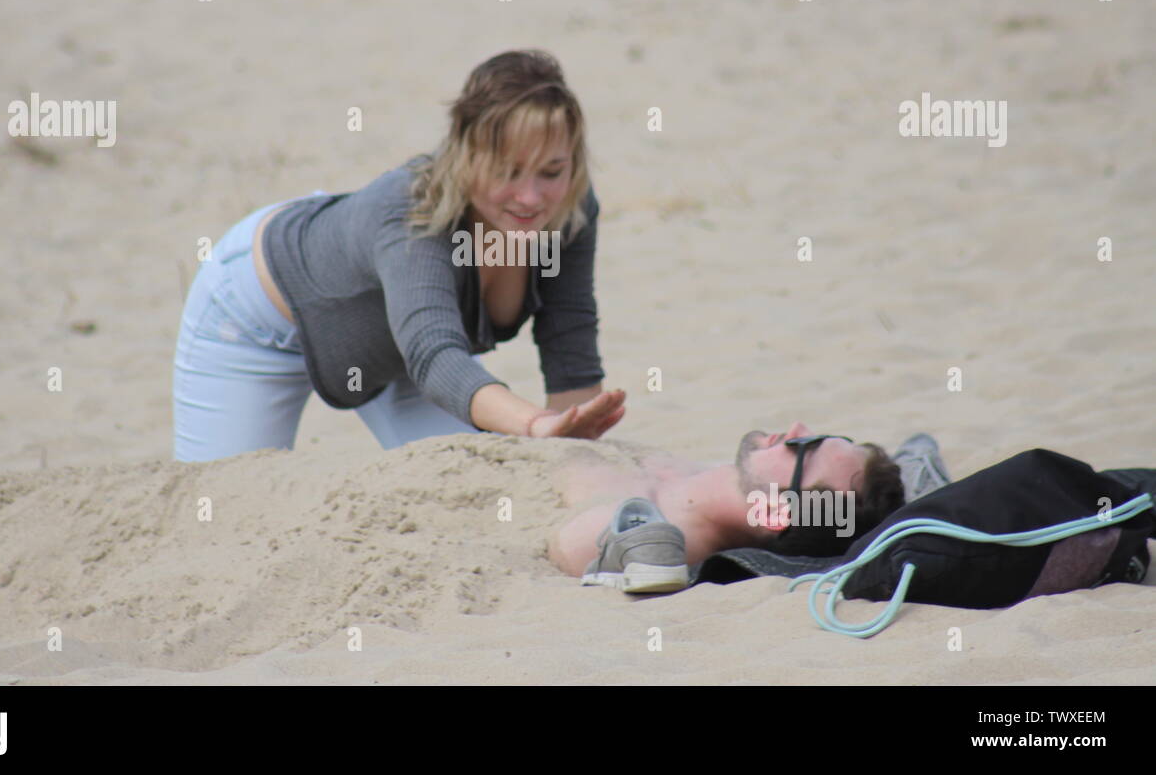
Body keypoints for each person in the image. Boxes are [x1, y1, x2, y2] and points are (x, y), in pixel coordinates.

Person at [173, 49, 627, 462]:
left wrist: (574, 448)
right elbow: (437, 357)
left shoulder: (569, 210)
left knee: (475, 484)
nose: (530, 197)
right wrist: (535, 427)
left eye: (551, 171)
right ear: (464, 157)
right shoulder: (412, 214)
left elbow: (570, 342)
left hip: (398, 343)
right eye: (507, 171)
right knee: (227, 507)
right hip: (256, 316)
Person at [547, 421, 905, 591]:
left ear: (775, 513)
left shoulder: (633, 529)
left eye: (804, 450)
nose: (796, 429)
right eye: (819, 437)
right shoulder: (691, 475)